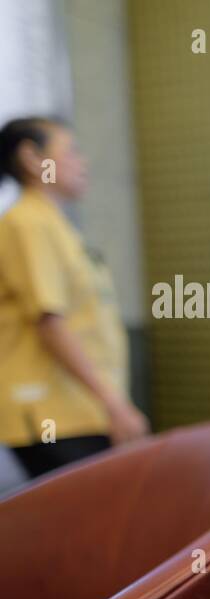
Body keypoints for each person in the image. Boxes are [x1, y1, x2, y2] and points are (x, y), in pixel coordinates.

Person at [0, 116, 147, 479]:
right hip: (53, 413)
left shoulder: (55, 224)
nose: (83, 162)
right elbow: (49, 321)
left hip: (79, 408)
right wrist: (114, 403)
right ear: (33, 159)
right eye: (72, 151)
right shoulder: (28, 223)